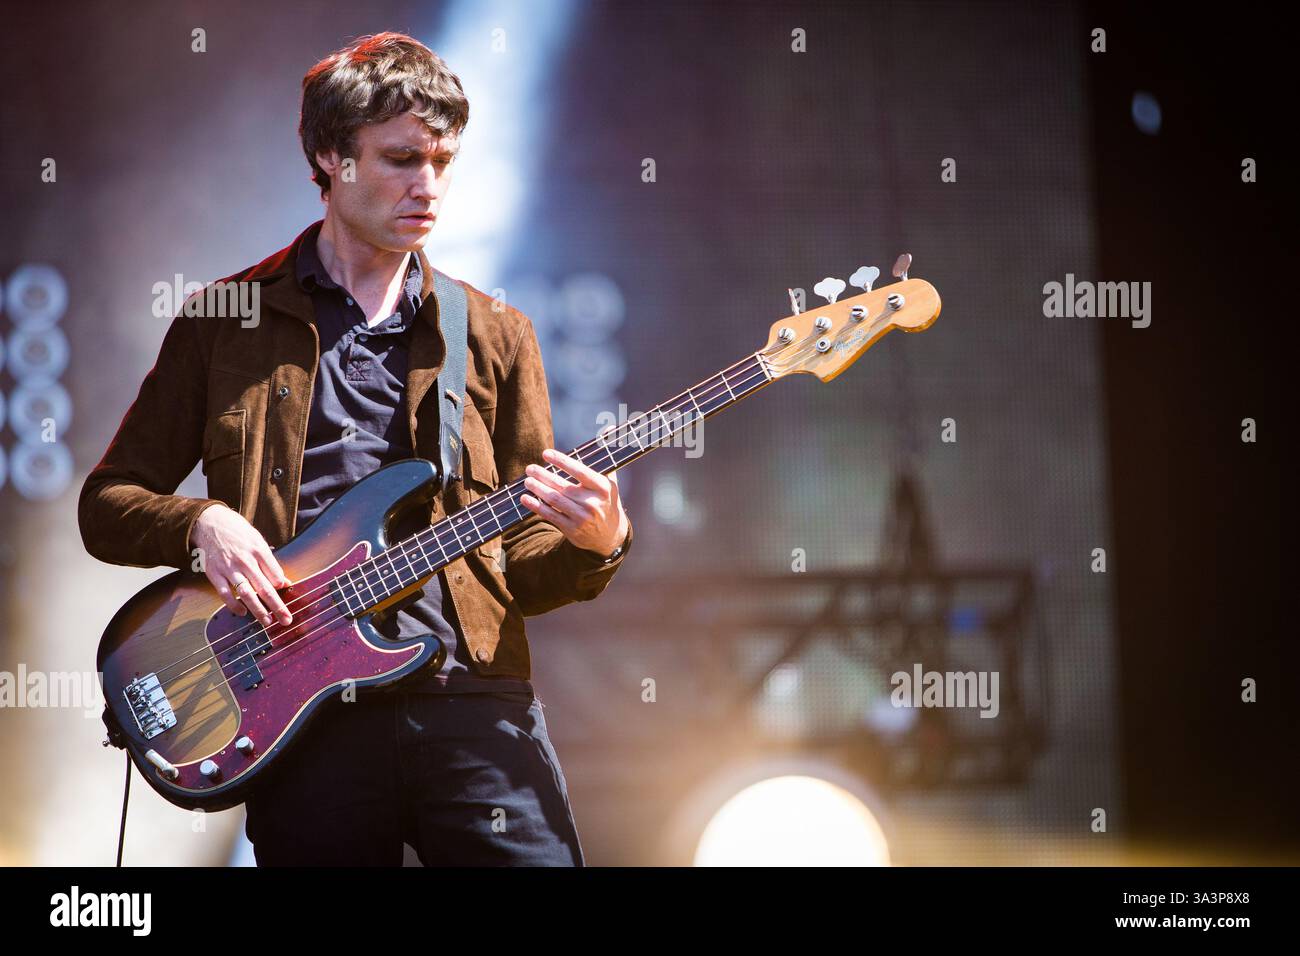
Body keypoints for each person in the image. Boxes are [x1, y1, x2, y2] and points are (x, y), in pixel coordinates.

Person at [78, 32, 632, 866]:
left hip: (471, 700)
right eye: (402, 159)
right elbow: (106, 505)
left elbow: (525, 567)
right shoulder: (223, 321)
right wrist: (203, 524)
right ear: (332, 158)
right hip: (302, 714)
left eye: (443, 162)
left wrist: (599, 544)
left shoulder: (496, 334)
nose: (429, 186)